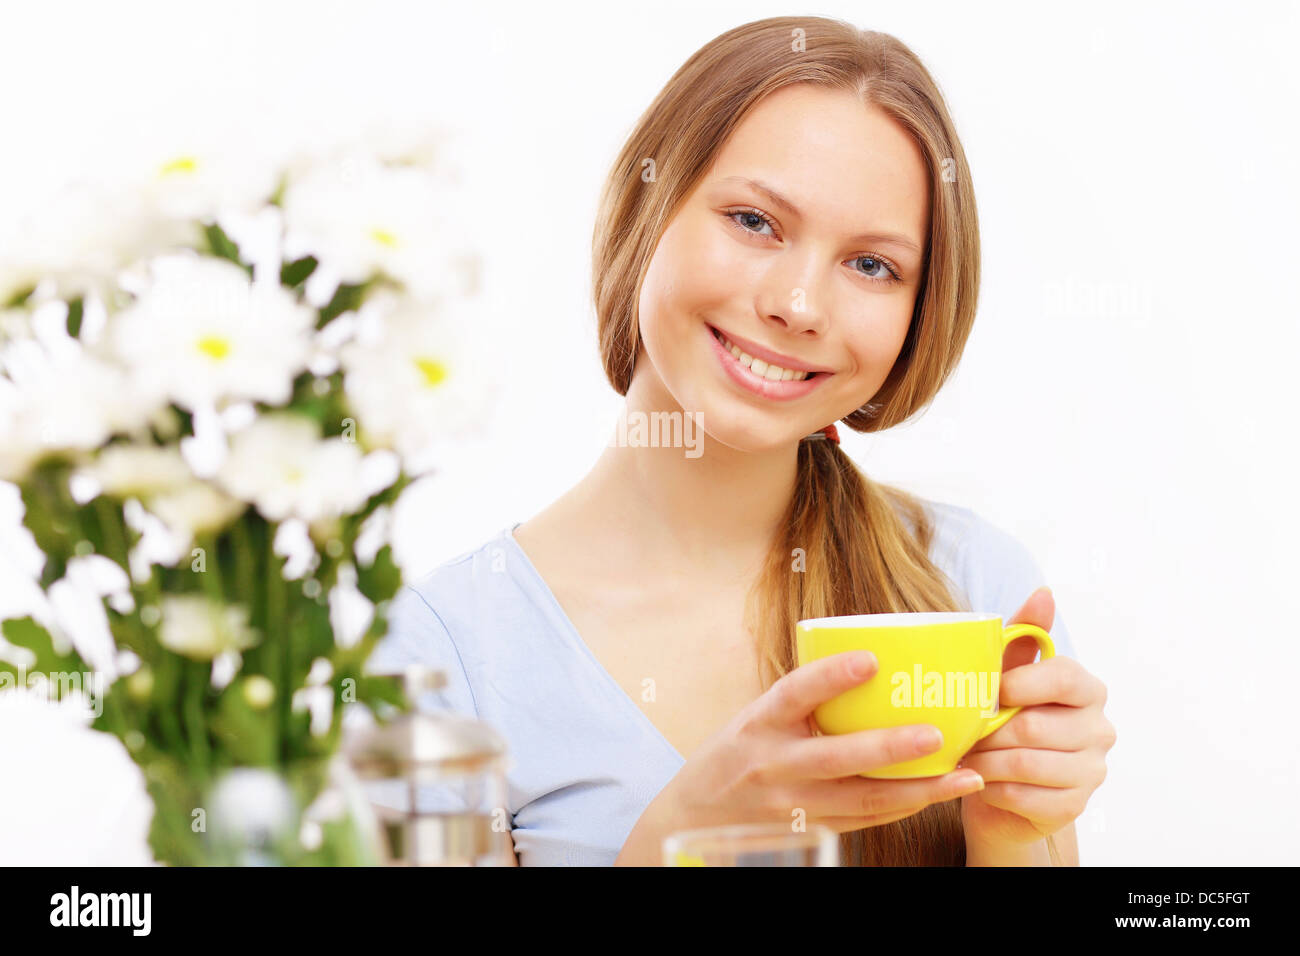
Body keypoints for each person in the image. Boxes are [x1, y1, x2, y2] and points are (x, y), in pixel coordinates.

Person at [372, 15, 1115, 866]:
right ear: (650, 208)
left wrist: (1013, 830)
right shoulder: (440, 657)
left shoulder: (971, 591)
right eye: (755, 221)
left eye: (872, 265)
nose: (798, 305)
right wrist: (678, 837)